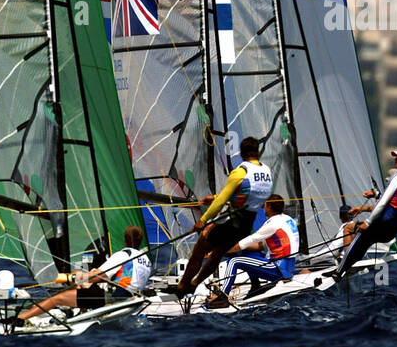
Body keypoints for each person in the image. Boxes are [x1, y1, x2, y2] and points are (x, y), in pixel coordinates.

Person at [173, 136, 273, 298]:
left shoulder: (241, 172)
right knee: (218, 252)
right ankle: (194, 283)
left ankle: (182, 287)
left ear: (241, 153)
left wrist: (202, 220)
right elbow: (248, 194)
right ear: (258, 152)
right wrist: (213, 198)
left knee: (202, 244)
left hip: (232, 222)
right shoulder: (266, 172)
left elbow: (222, 201)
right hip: (246, 225)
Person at [16, 226, 152, 324]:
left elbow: (99, 276)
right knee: (84, 283)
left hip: (111, 297)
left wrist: (72, 277)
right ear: (140, 240)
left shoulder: (124, 254)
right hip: (129, 296)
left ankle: (19, 318)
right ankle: (80, 312)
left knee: (57, 298)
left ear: (125, 240)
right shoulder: (146, 260)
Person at [334, 147, 397, 278]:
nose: (396, 159)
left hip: (382, 223)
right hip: (394, 229)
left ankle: (338, 272)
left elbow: (384, 202)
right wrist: (376, 194)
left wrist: (368, 222)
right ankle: (349, 266)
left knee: (359, 236)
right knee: (365, 243)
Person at [207, 193, 300, 305]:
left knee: (234, 261)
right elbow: (261, 246)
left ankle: (222, 297)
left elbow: (245, 242)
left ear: (269, 207)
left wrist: (219, 251)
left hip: (277, 269)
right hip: (287, 267)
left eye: (264, 205)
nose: (263, 207)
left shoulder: (272, 224)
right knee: (249, 252)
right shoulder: (287, 219)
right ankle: (255, 286)